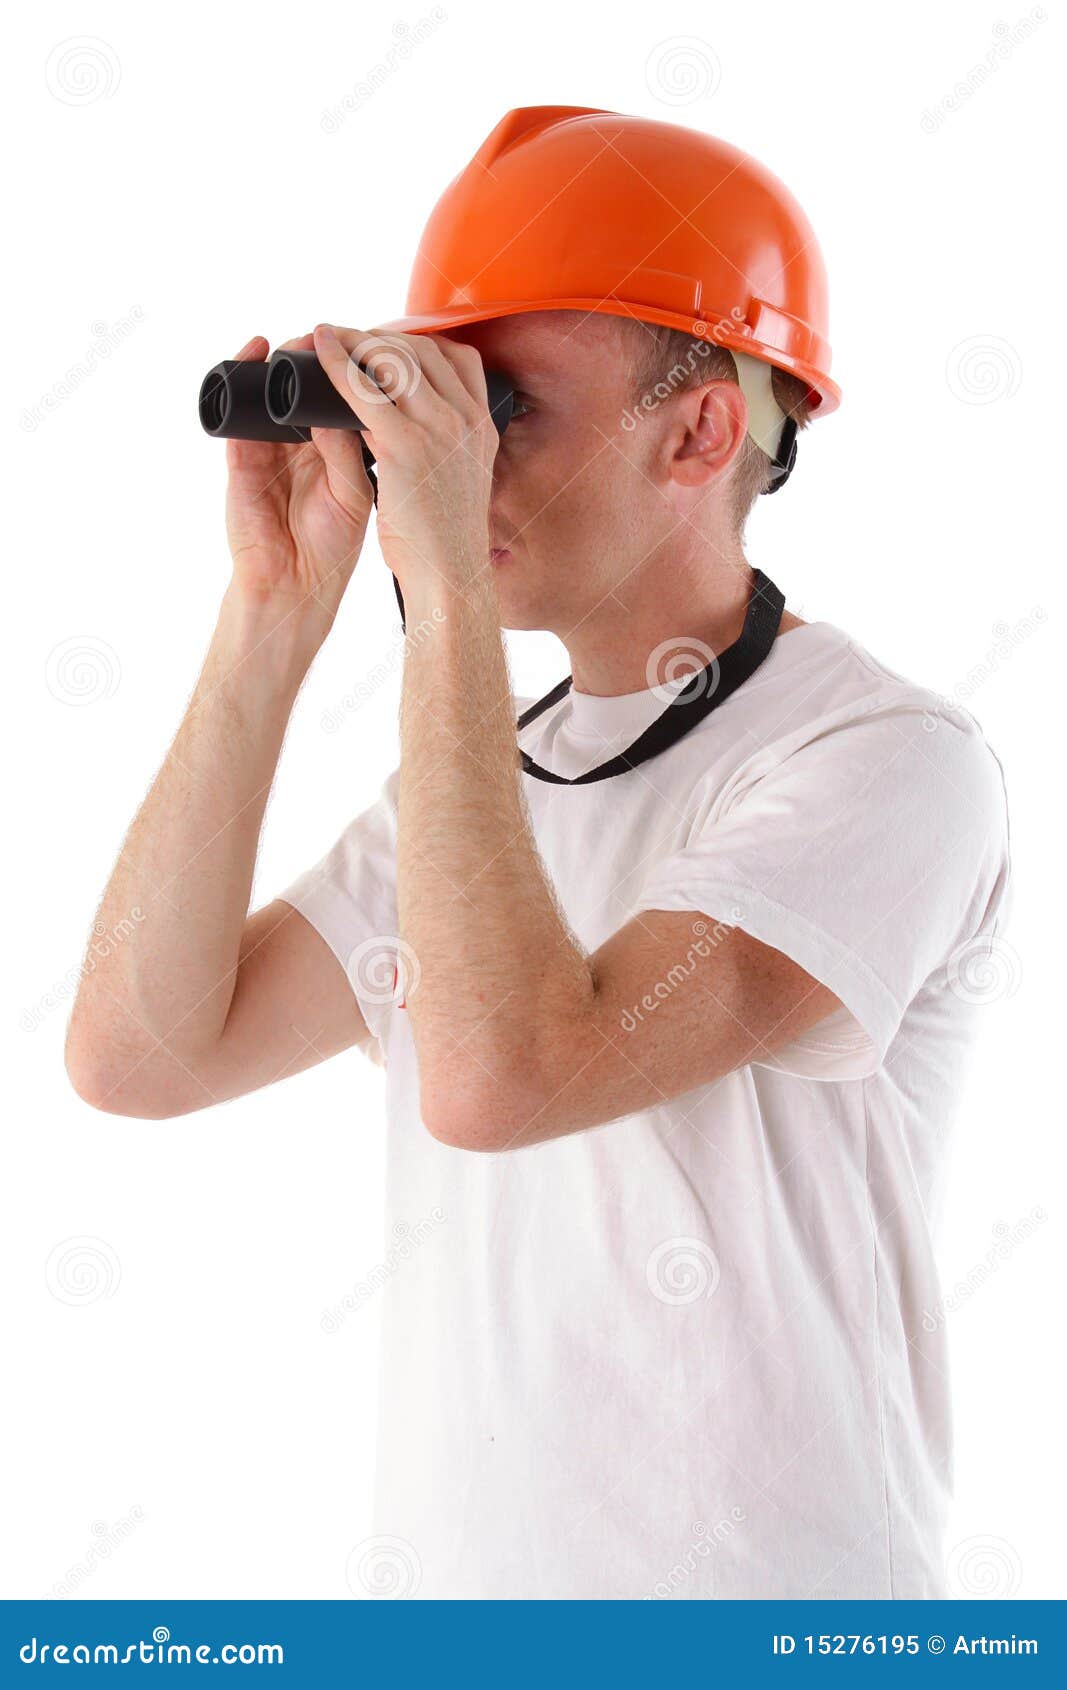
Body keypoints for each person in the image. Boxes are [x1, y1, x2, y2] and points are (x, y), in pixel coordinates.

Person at [65, 107, 1011, 1600]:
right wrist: (276, 607)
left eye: (498, 410)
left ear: (700, 431)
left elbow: (509, 1073)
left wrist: (437, 582)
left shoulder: (885, 763)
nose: (446, 461)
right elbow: (143, 1052)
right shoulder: (483, 793)